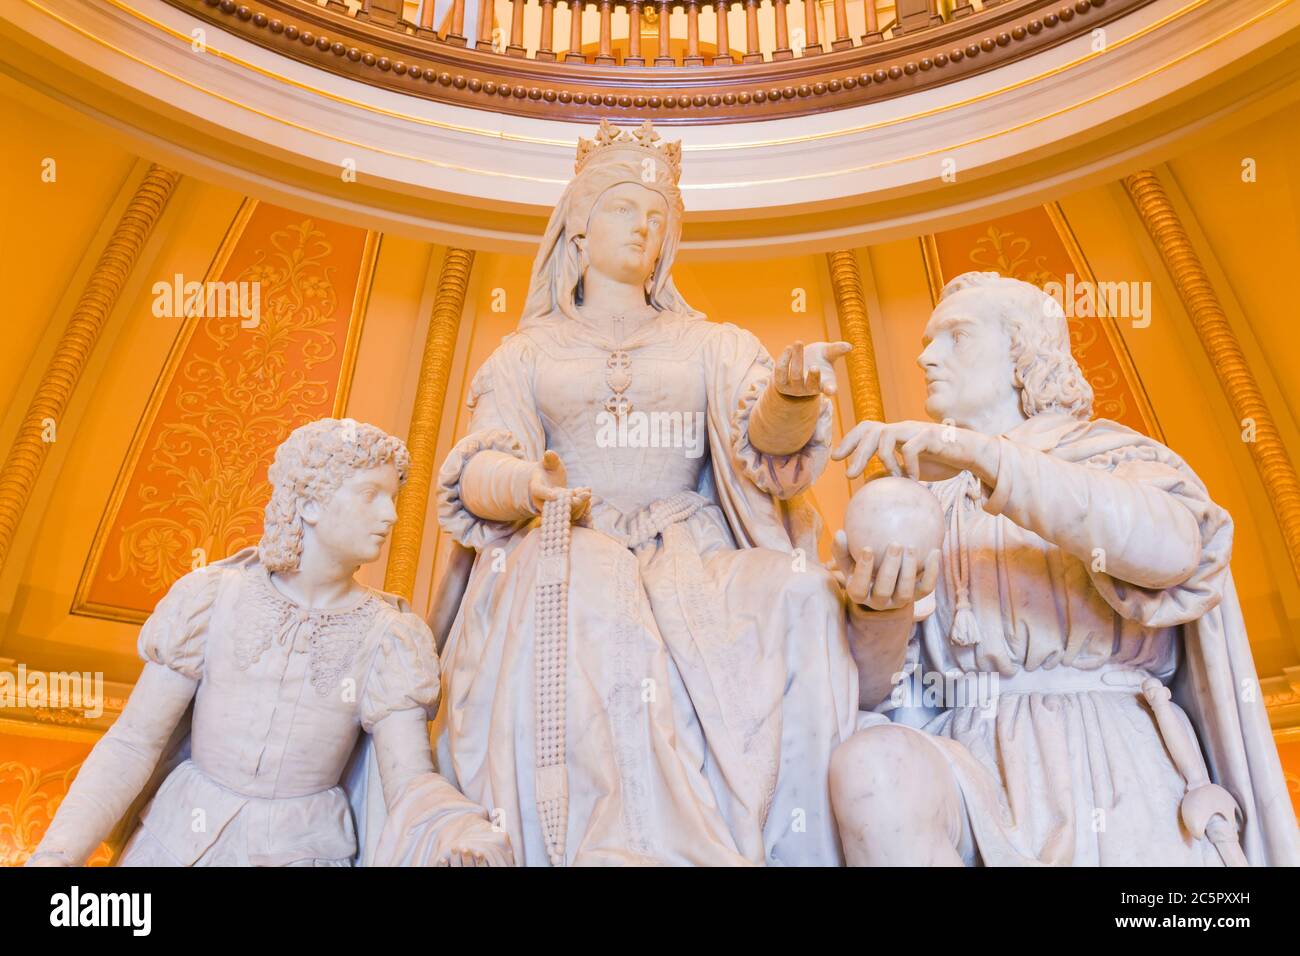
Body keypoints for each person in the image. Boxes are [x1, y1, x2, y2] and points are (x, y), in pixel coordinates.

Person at [432, 119, 895, 865]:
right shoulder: (526, 354)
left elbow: (766, 450)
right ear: (578, 226)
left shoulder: (710, 343)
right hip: (569, 547)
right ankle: (614, 845)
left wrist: (792, 393)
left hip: (697, 549)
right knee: (595, 586)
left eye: (658, 218)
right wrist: (530, 483)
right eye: (623, 209)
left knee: (804, 594)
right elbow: (473, 474)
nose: (643, 228)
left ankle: (799, 846)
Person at [828, 271, 1300, 866]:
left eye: (957, 336)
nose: (925, 356)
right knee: (872, 765)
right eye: (927, 340)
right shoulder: (926, 507)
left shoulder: (1114, 459)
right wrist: (880, 612)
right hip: (970, 763)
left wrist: (987, 457)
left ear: (1023, 353)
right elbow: (872, 695)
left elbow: (1176, 552)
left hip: (1110, 756)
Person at [27, 419, 511, 867]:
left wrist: (454, 827)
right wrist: (57, 857)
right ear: (310, 503)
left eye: (392, 500)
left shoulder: (391, 636)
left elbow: (407, 778)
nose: (389, 516)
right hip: (173, 841)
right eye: (371, 495)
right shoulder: (212, 597)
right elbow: (133, 743)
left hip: (303, 849)